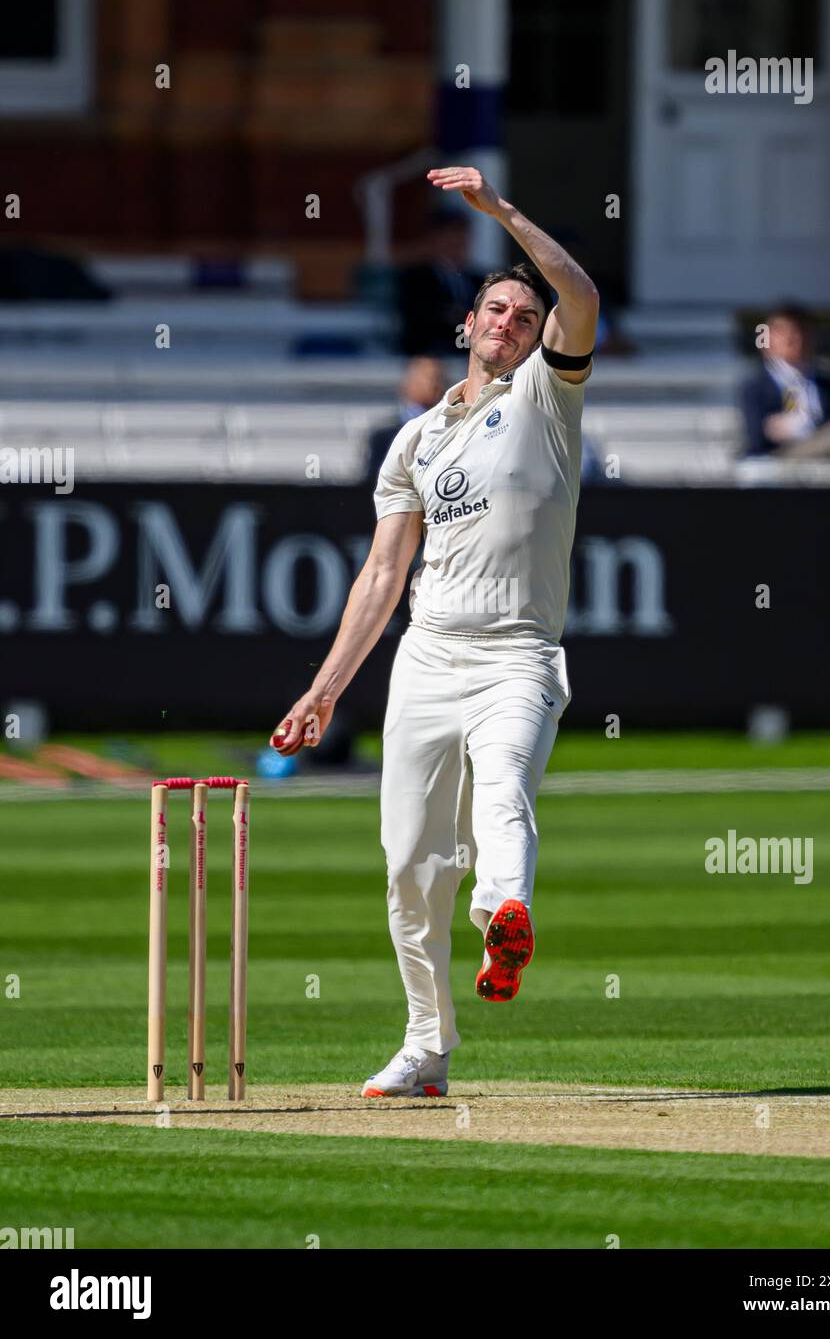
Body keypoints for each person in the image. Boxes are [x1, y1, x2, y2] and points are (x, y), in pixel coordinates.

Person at [271, 164, 598, 1098]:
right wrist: (324, 688)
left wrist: (498, 211)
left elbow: (578, 290)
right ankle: (426, 1048)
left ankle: (506, 915)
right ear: (466, 325)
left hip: (519, 656)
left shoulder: (547, 399)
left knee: (503, 787)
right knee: (410, 868)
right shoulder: (416, 440)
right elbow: (382, 574)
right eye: (496, 311)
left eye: (523, 319)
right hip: (428, 656)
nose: (508, 324)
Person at [740, 304, 830, 460]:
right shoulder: (755, 386)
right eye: (782, 332)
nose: (793, 338)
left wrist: (802, 427)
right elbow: (757, 438)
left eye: (800, 331)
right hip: (780, 458)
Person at [396, 210, 481, 356]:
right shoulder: (417, 278)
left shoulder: (479, 279)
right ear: (435, 239)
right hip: (429, 357)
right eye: (450, 235)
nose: (457, 242)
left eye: (461, 235)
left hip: (469, 357)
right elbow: (419, 318)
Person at [364, 356, 448, 486]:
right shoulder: (384, 437)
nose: (435, 384)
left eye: (439, 379)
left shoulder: (455, 430)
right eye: (428, 378)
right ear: (407, 384)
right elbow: (373, 484)